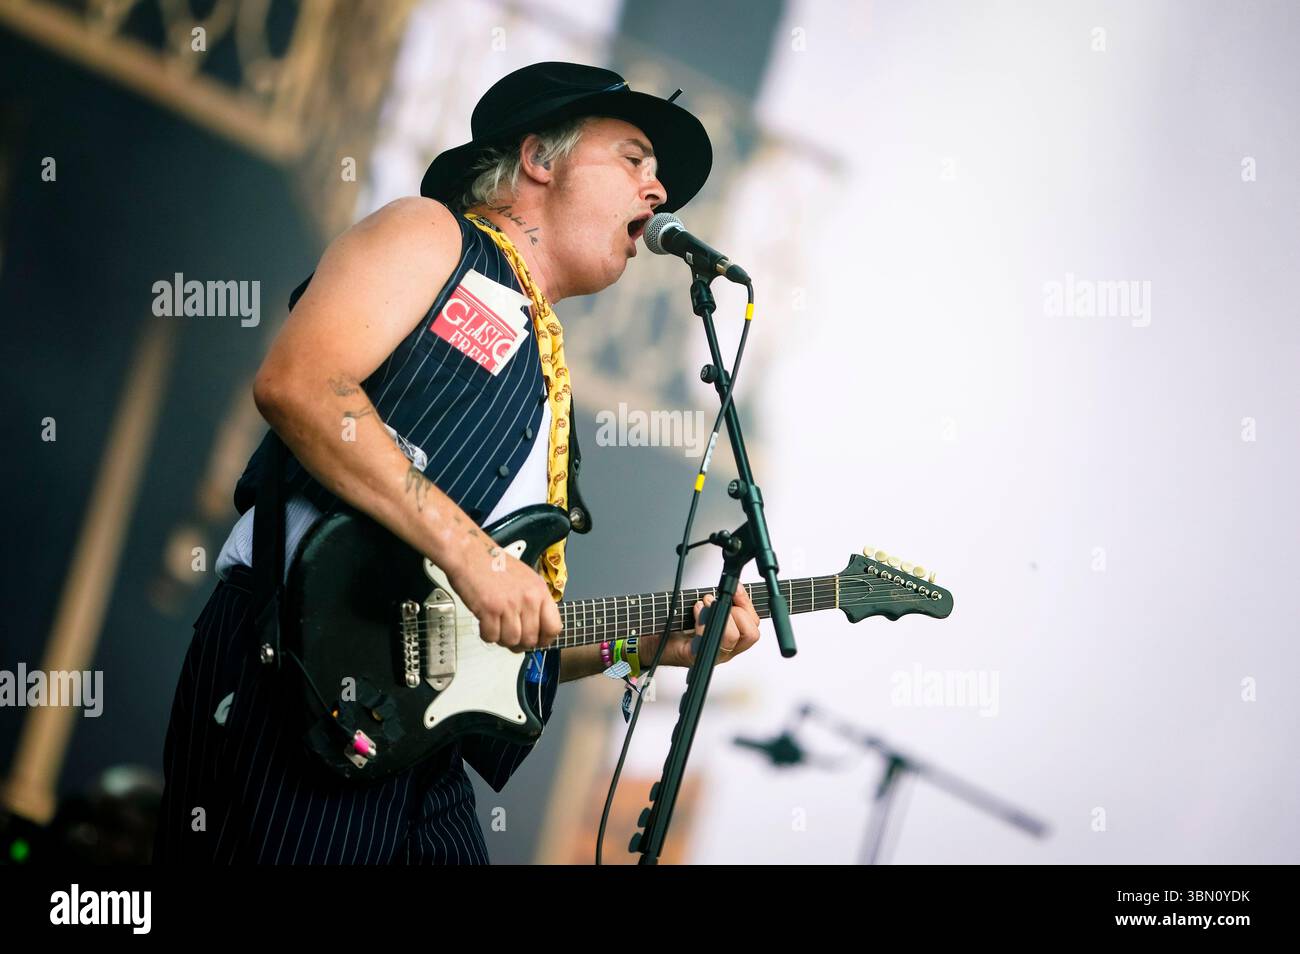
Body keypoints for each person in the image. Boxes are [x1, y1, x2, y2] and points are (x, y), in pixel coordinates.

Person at [154, 61, 760, 865]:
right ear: (540, 158)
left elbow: (505, 636)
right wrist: (472, 554)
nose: (659, 194)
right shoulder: (431, 234)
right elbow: (301, 384)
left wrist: (648, 644)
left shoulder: (551, 389)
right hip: (299, 676)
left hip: (414, 743)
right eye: (635, 159)